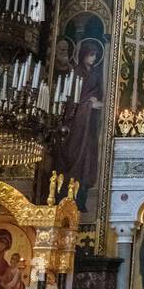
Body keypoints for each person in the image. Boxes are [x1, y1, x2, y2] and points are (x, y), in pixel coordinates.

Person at [58, 38, 104, 212]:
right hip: (79, 121)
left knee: (88, 158)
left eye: (95, 55)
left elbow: (98, 94)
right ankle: (68, 198)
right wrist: (89, 104)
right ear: (84, 54)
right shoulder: (76, 73)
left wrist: (96, 103)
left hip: (90, 123)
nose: (93, 58)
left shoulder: (95, 73)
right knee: (77, 154)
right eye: (91, 55)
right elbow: (73, 99)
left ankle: (81, 199)